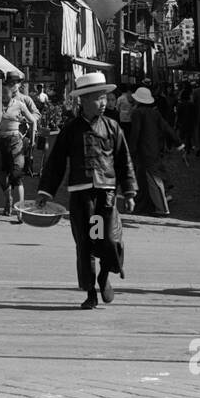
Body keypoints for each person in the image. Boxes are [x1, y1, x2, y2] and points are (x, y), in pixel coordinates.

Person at [37, 71, 137, 310]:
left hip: (106, 196)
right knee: (87, 244)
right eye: (97, 98)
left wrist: (130, 191)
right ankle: (91, 290)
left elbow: (124, 161)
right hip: (83, 198)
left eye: (105, 97)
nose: (104, 103)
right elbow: (56, 162)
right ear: (83, 100)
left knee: (110, 240)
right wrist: (45, 192)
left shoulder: (113, 127)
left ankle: (105, 276)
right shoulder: (71, 130)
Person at [0, 70, 41, 217]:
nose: (13, 85)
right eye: (10, 83)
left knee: (23, 150)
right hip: (0, 133)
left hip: (22, 133)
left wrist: (24, 119)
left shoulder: (25, 100)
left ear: (19, 84)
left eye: (15, 83)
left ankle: (23, 164)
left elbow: (36, 116)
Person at [128, 85, 182, 215]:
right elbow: (167, 128)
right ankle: (145, 206)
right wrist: (178, 143)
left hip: (143, 152)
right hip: (154, 150)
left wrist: (130, 151)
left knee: (152, 180)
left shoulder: (137, 113)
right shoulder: (155, 113)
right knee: (145, 179)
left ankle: (162, 208)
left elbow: (135, 134)